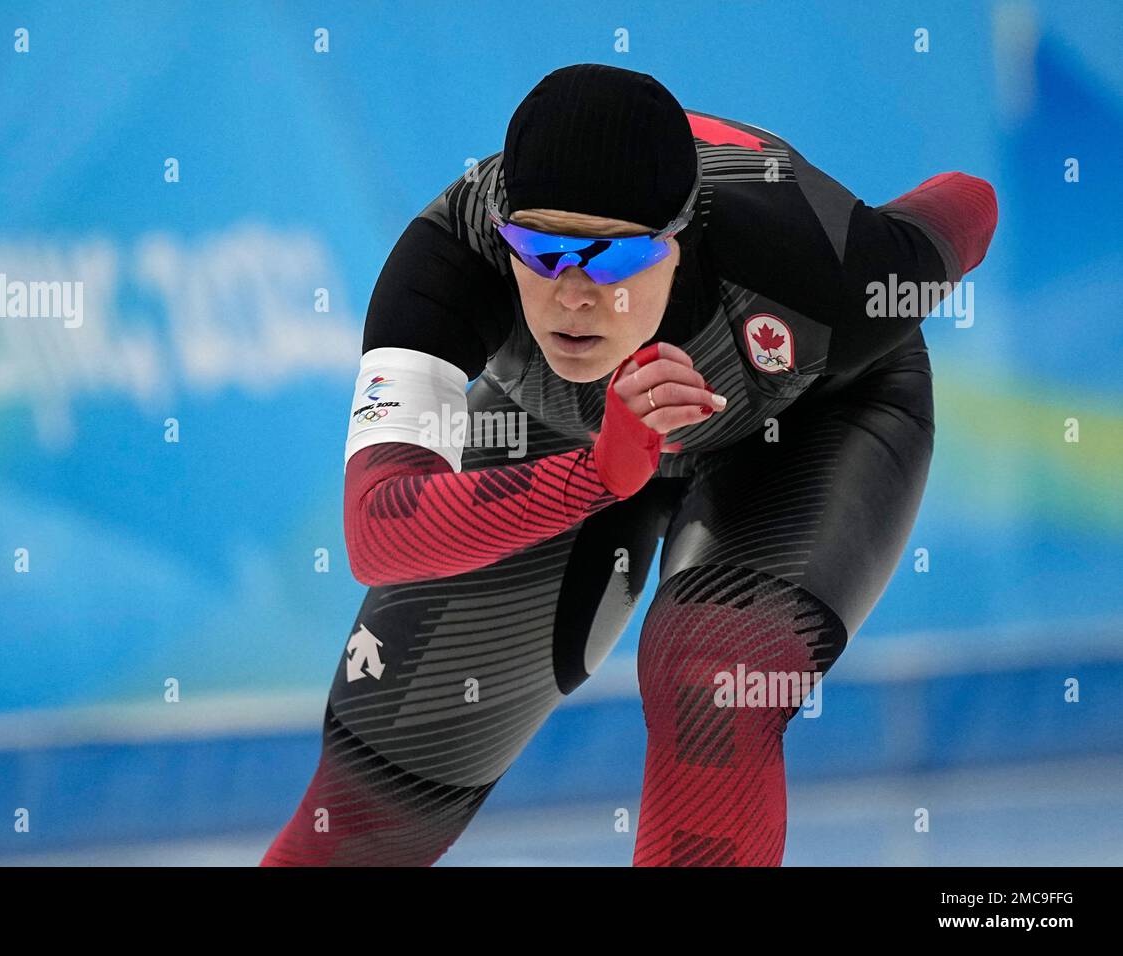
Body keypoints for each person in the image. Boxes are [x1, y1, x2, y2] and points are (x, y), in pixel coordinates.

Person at [261, 63, 997, 866]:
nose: (573, 295)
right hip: (562, 425)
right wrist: (598, 472)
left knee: (711, 671)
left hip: (804, 419)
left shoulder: (816, 266)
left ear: (678, 243)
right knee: (379, 784)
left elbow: (971, 203)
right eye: (541, 252)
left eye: (610, 262)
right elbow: (379, 528)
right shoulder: (449, 257)